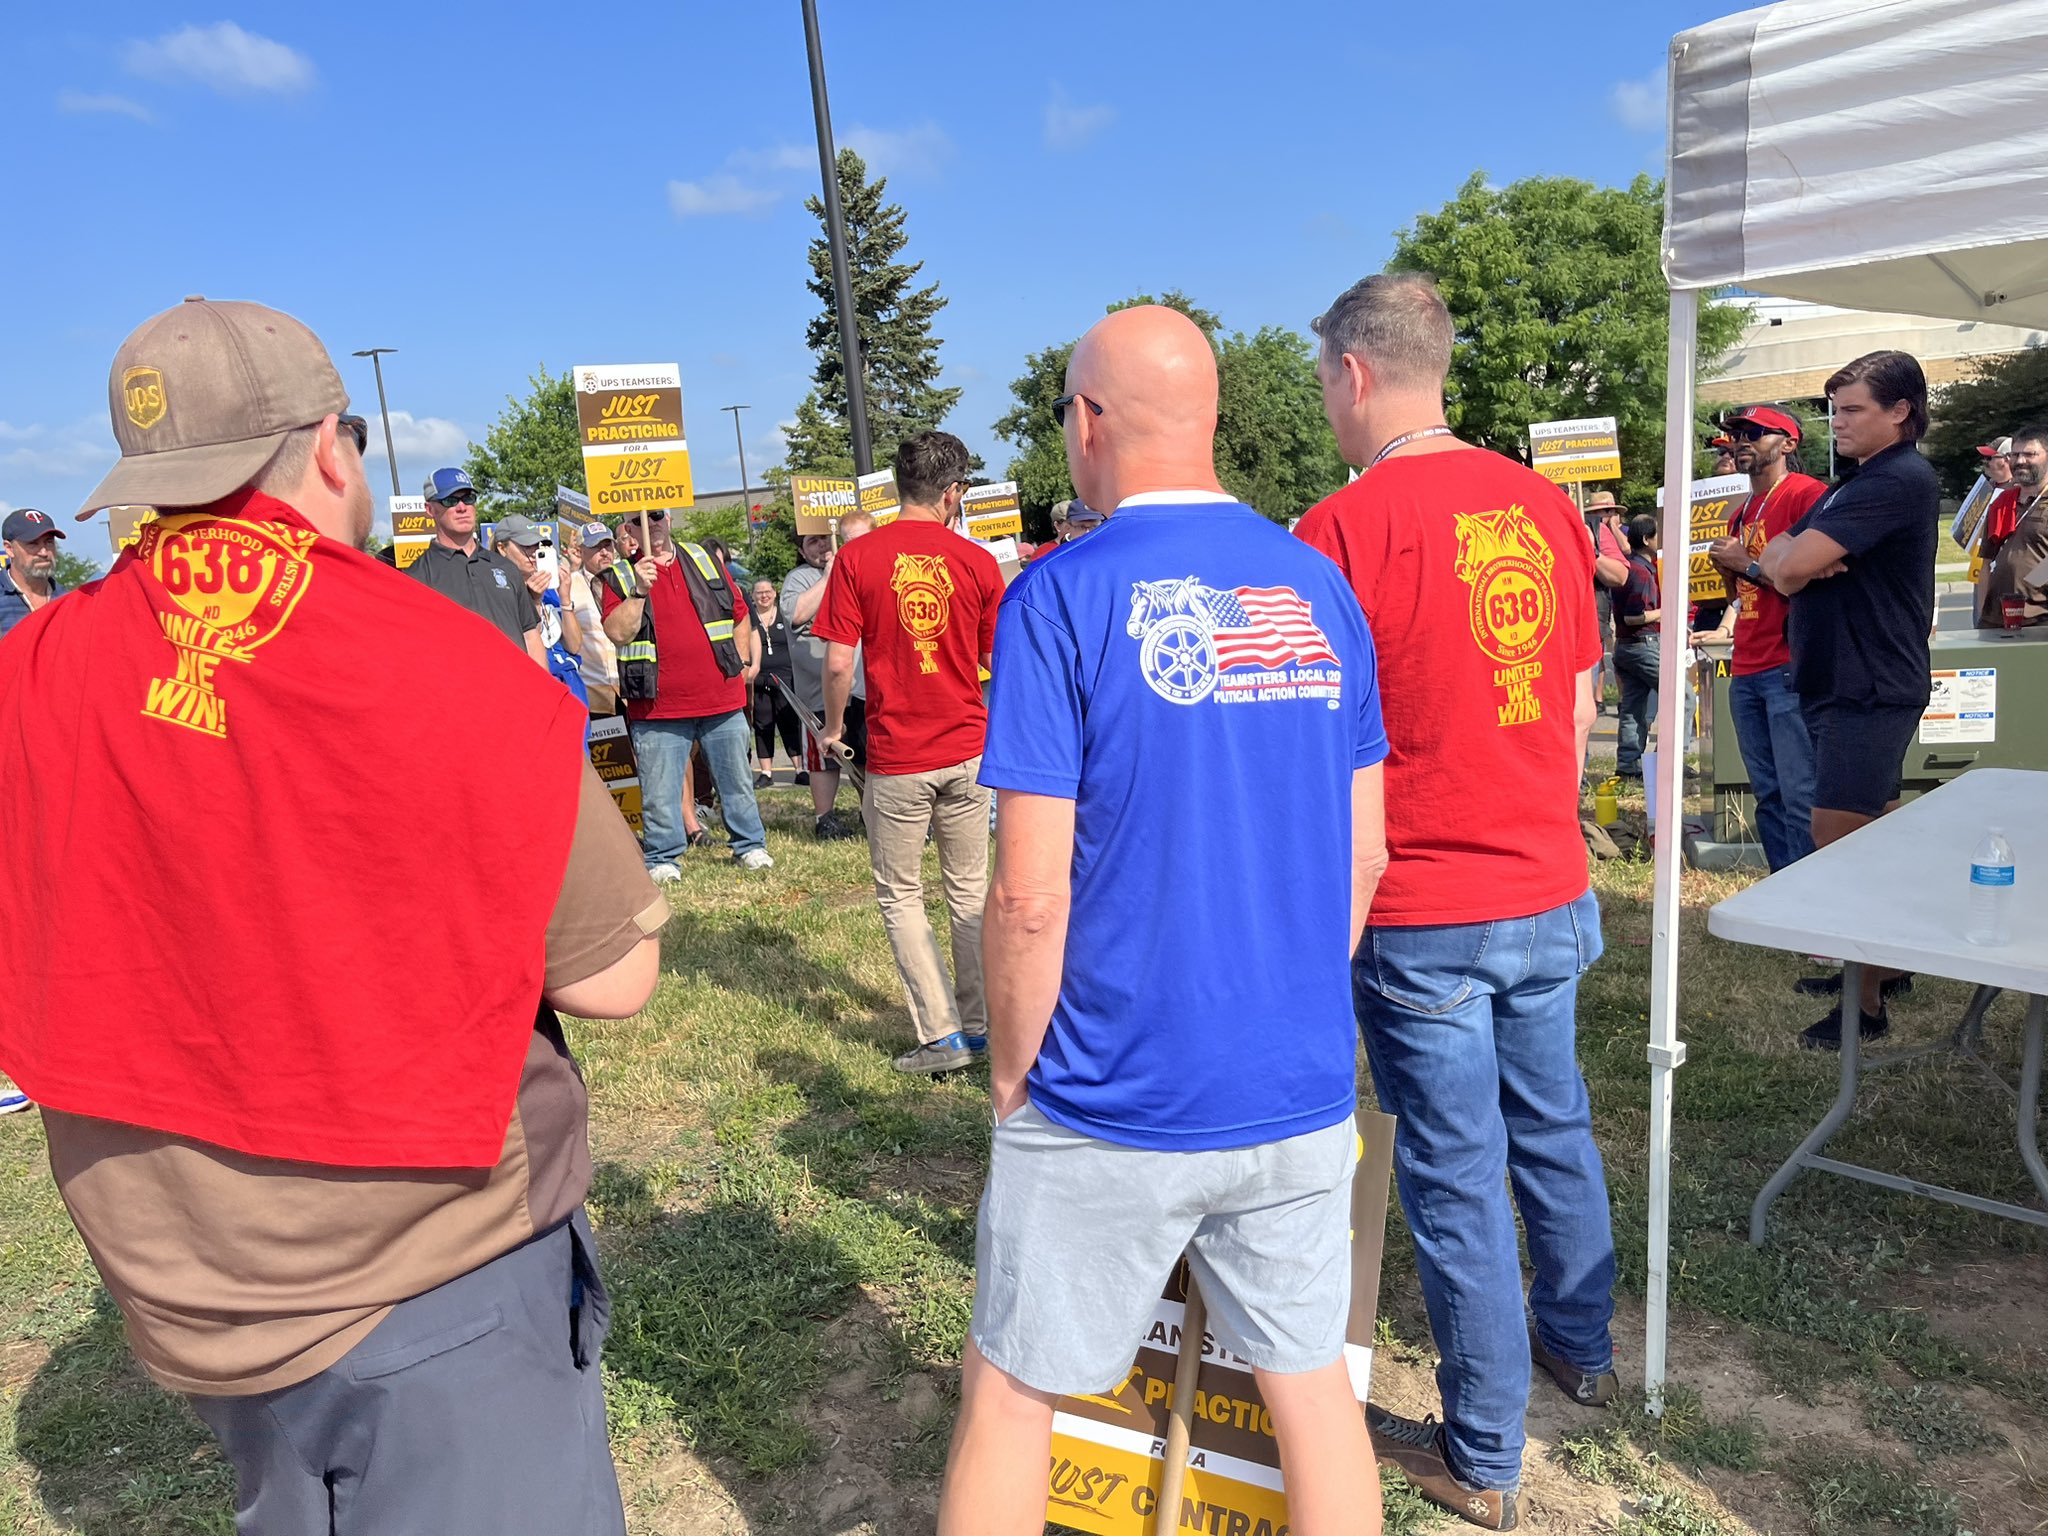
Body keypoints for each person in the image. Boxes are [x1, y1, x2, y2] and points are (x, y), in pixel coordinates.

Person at [0, 296, 663, 1535]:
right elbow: (611, 981)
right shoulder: (443, 658)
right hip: (430, 1269)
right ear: (327, 447)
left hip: (183, 1282)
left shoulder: (27, 669)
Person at [936, 304, 1388, 1536]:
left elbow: (1027, 893)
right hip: (1294, 1082)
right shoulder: (1317, 585)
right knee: (1313, 1401)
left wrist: (1016, 1077)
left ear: (1085, 424)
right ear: (1212, 418)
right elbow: (1363, 854)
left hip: (1107, 1088)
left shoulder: (1057, 596)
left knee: (1009, 1390)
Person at [1297, 273, 1614, 1531]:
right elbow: (1580, 704)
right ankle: (1577, 1346)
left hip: (1424, 900)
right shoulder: (1544, 506)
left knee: (1451, 1176)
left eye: (1324, 381)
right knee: (1554, 1124)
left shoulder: (1339, 528)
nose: (1325, 405)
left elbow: (1322, 753)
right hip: (1547, 875)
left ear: (1357, 373)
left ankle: (1482, 1453)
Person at [1755, 350, 1940, 1049]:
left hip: (1867, 685)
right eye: (1835, 410)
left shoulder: (1896, 480)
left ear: (1900, 411)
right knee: (1876, 832)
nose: (1839, 423)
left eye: (1854, 409)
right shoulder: (1857, 483)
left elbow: (1790, 564)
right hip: (1845, 680)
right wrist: (1788, 559)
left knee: (1840, 838)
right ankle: (1885, 968)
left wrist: (1791, 561)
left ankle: (1865, 1006)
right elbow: (1780, 557)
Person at [813, 431, 1005, 1076]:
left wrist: (834, 728)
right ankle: (979, 1028)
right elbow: (992, 659)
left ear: (899, 486)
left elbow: (839, 661)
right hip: (969, 747)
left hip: (898, 754)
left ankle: (942, 1034)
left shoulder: (858, 557)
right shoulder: (977, 562)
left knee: (900, 894)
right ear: (953, 494)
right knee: (969, 892)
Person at [598, 510, 772, 875]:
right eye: (640, 520)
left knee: (737, 782)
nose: (653, 523)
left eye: (658, 515)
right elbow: (617, 632)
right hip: (657, 707)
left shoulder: (703, 559)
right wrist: (639, 591)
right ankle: (662, 857)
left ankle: (750, 845)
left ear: (670, 519)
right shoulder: (619, 576)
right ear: (629, 530)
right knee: (660, 793)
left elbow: (740, 614)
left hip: (720, 700)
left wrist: (738, 665)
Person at [1706, 407, 1828, 872]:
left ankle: (1812, 902)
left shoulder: (1806, 496)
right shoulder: (1742, 512)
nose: (1741, 441)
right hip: (1747, 666)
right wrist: (1727, 573)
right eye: (1735, 433)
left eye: (1754, 433)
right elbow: (1740, 593)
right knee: (1769, 794)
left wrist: (1748, 565)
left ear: (1788, 444)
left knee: (1800, 794)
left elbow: (1819, 582)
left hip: (1789, 665)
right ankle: (1782, 897)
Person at [407, 467, 546, 663]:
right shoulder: (417, 577)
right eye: (450, 500)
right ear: (430, 510)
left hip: (517, 690)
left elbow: (530, 635)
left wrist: (542, 692)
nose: (462, 507)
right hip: (460, 691)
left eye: (468, 498)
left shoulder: (506, 567)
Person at [781, 527, 866, 839]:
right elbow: (796, 613)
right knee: (823, 760)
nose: (821, 545)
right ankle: (825, 818)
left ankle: (868, 812)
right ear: (802, 551)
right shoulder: (799, 578)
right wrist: (829, 575)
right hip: (818, 691)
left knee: (863, 753)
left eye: (824, 538)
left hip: (858, 685)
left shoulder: (854, 567)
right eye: (812, 541)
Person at [495, 514, 590, 708]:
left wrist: (564, 598)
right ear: (502, 548)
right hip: (539, 687)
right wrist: (534, 602)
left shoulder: (551, 589)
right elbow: (525, 645)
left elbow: (574, 646)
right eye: (525, 546)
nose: (533, 553)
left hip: (571, 686)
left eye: (537, 546)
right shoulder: (498, 592)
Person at [1976, 425, 2048, 629]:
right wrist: (1982, 615)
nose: (2020, 461)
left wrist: (2030, 585)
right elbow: (1985, 565)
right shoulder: (2001, 503)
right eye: (2015, 454)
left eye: (2030, 454)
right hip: (1994, 622)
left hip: (2039, 619)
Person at [1609, 515, 1662, 782]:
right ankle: (1667, 758)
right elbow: (1634, 616)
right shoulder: (1641, 573)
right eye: (1657, 535)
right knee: (1682, 698)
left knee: (1632, 708)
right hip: (1643, 645)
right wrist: (1665, 612)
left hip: (1626, 647)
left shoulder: (1630, 568)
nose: (1660, 540)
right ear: (1646, 539)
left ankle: (1628, 765)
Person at [749, 576, 801, 784]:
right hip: (760, 679)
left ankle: (800, 769)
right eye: (759, 593)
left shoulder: (784, 617)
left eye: (767, 592)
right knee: (762, 725)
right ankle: (766, 773)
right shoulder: (750, 618)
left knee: (789, 722)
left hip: (786, 678)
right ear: (753, 596)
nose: (764, 596)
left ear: (775, 593)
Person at [1583, 492, 1630, 714]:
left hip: (1609, 606)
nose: (1611, 516)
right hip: (1596, 611)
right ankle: (1598, 699)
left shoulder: (1605, 533)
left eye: (1612, 512)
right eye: (1606, 512)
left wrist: (1610, 529)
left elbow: (1624, 560)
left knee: (1604, 654)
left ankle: (1609, 698)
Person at [568, 519, 621, 714]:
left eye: (607, 545)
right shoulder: (569, 586)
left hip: (630, 691)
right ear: (581, 551)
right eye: (596, 547)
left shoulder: (629, 580)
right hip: (592, 696)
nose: (605, 552)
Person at [0, 508, 71, 638]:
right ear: (9, 549)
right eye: (32, 543)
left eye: (49, 542)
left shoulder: (68, 600)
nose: (44, 552)